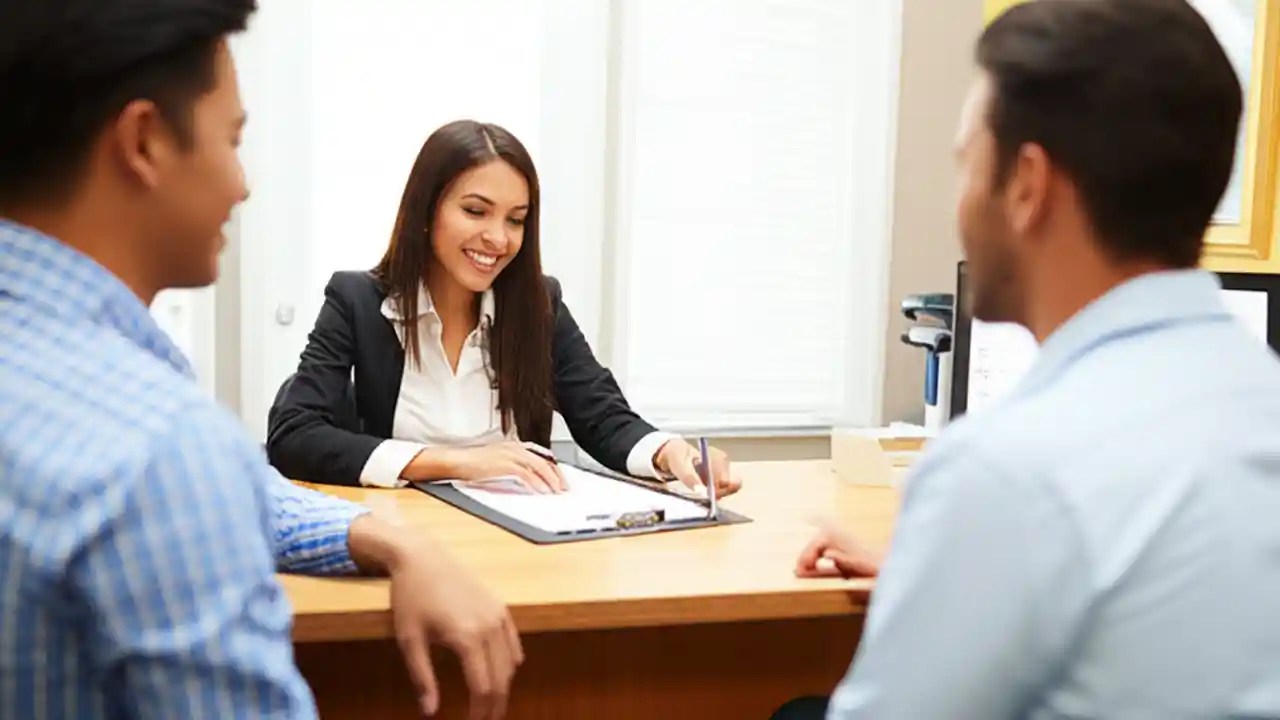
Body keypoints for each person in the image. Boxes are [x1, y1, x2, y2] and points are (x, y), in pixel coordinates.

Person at [0, 2, 519, 718]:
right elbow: (218, 467)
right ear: (145, 141)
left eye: (515, 219)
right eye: (233, 140)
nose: (242, 184)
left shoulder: (127, 420)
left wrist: (389, 538)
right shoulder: (160, 449)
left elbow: (237, 490)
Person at [785, 0, 1280, 717]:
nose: (959, 202)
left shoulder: (1003, 471)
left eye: (965, 164)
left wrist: (972, 548)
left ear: (1026, 184)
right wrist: (950, 580)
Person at [266, 119, 743, 497]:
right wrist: (453, 462)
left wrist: (670, 453)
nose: (498, 238)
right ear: (426, 212)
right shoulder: (358, 301)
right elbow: (294, 435)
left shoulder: (540, 305)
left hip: (515, 539)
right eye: (475, 211)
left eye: (516, 220)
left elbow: (603, 418)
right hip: (405, 538)